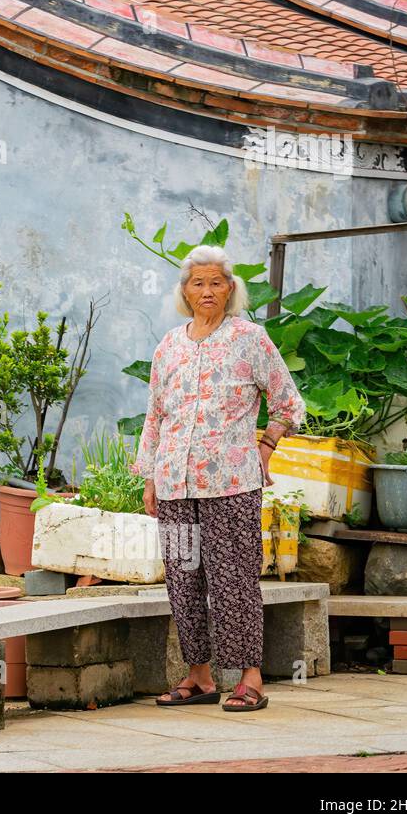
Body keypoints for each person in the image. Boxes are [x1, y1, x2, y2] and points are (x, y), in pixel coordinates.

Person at [132, 244, 305, 711]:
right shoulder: (169, 345)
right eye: (197, 283)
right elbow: (155, 416)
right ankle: (200, 676)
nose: (207, 291)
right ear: (185, 292)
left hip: (230, 483)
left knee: (234, 578)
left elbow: (288, 401)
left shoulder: (250, 338)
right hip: (173, 484)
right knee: (185, 578)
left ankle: (251, 678)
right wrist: (150, 477)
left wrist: (267, 445)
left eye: (216, 282)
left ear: (230, 289)